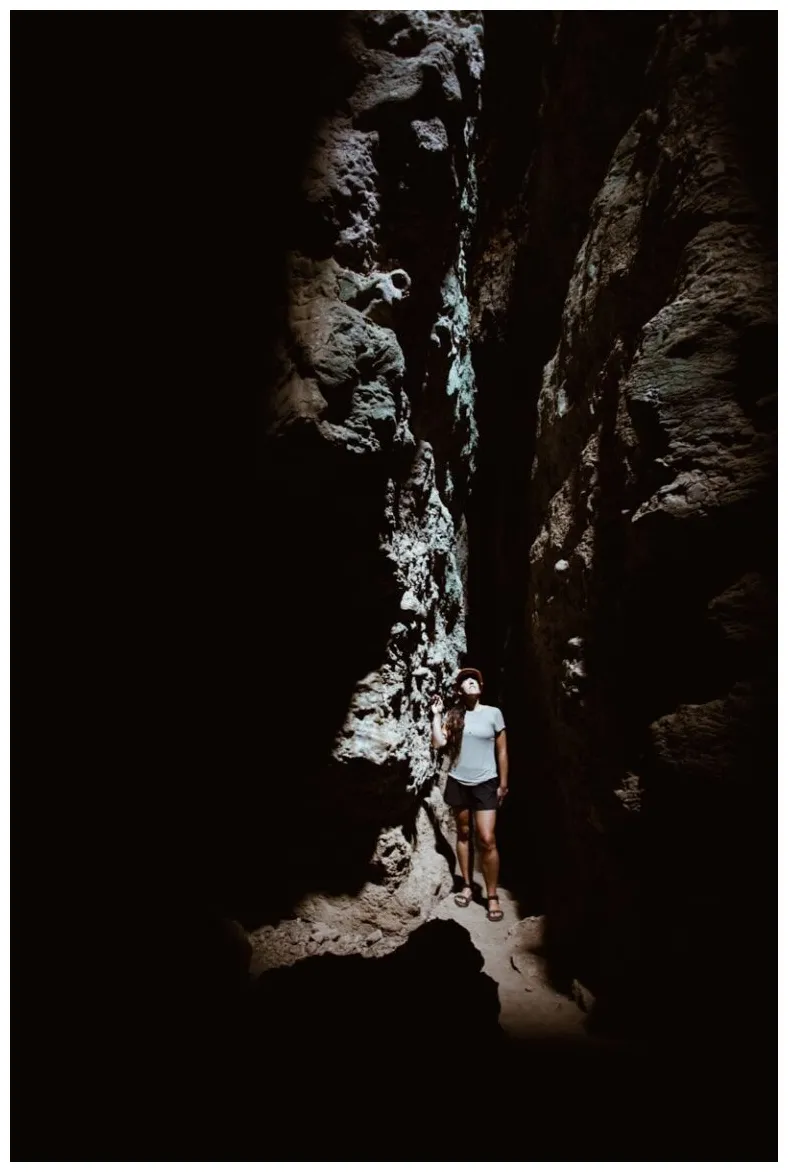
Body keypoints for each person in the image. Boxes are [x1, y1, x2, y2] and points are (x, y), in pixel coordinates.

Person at [430, 667, 508, 922]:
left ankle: (492, 896)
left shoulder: (494, 713)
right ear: (459, 690)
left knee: (487, 838)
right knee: (463, 833)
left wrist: (503, 783)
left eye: (475, 679)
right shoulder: (454, 715)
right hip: (458, 781)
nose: (471, 682)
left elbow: (502, 751)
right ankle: (466, 885)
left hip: (486, 782)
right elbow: (439, 743)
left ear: (481, 688)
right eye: (466, 681)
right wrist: (437, 715)